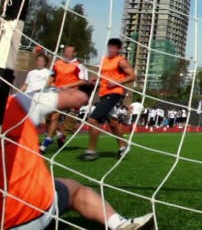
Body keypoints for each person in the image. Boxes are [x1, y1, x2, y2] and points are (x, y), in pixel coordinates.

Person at [2, 87, 153, 229]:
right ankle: (120, 224)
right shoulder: (18, 102)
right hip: (28, 213)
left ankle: (54, 141)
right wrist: (70, 85)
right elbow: (78, 97)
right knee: (74, 189)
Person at [79, 38, 136, 161]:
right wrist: (94, 79)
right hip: (103, 93)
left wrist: (117, 82)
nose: (111, 49)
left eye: (114, 47)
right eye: (109, 47)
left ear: (119, 49)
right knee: (113, 123)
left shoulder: (121, 61)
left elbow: (132, 76)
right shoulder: (104, 60)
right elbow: (101, 74)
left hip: (114, 93)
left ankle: (91, 151)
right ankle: (123, 147)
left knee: (93, 119)